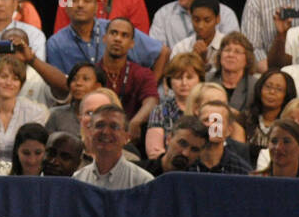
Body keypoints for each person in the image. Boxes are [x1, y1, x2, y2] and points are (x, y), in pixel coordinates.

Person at [46, 0, 164, 77]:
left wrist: (151, 88)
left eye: (87, 0)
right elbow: (58, 87)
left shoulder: (115, 29)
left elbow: (163, 52)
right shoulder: (56, 43)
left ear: (96, 8)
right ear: (65, 8)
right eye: (74, 0)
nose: (80, 5)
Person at [0, 55, 49, 164]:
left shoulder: (35, 113)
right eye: (4, 77)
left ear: (21, 84)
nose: (9, 83)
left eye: (15, 79)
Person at [96, 17, 159, 145]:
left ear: (132, 43)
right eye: (113, 33)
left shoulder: (142, 73)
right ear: (104, 38)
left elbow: (152, 101)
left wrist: (136, 121)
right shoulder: (92, 72)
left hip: (129, 140)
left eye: (124, 35)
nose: (118, 39)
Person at [73, 104, 153, 188]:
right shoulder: (78, 179)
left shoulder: (143, 182)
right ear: (90, 133)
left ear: (126, 137)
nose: (106, 132)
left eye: (114, 127)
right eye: (100, 125)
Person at [143, 52, 205, 160]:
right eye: (178, 78)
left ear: (200, 80)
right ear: (170, 81)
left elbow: (217, 145)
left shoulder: (209, 109)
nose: (184, 83)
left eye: (189, 77)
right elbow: (154, 153)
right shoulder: (160, 111)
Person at [244, 69, 299, 158]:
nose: (272, 92)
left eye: (279, 89)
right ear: (260, 88)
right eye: (268, 87)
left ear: (287, 95)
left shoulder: (290, 125)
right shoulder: (244, 118)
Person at [45, 62, 108, 137]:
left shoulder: (106, 117)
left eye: (85, 79)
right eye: (74, 79)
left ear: (98, 86)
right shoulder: (57, 115)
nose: (78, 83)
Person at [189, 102, 253, 175]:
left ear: (229, 130)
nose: (211, 125)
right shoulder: (186, 164)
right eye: (206, 120)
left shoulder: (242, 171)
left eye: (217, 121)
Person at [208, 31, 260, 115]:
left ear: (247, 58)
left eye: (237, 52)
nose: (231, 55)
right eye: (227, 50)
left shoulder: (255, 86)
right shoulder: (207, 80)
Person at [141, 115, 209, 177]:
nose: (185, 153)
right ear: (168, 139)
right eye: (182, 144)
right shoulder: (138, 172)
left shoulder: (198, 183)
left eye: (194, 149)